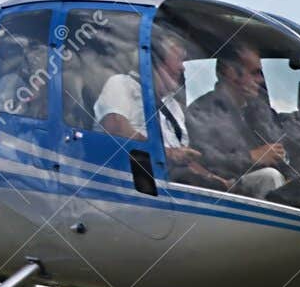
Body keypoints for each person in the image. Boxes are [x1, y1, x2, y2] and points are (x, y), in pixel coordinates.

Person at [93, 30, 230, 190]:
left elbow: (184, 160)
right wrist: (169, 154)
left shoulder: (174, 108)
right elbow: (116, 129)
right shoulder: (121, 84)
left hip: (171, 182)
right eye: (179, 59)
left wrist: (215, 180)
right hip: (131, 179)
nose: (182, 68)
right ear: (155, 61)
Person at [185, 38, 290, 198]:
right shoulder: (204, 109)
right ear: (230, 71)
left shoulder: (257, 110)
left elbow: (279, 148)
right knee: (270, 177)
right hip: (224, 189)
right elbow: (203, 158)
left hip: (255, 186)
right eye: (255, 73)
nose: (260, 80)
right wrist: (251, 158)